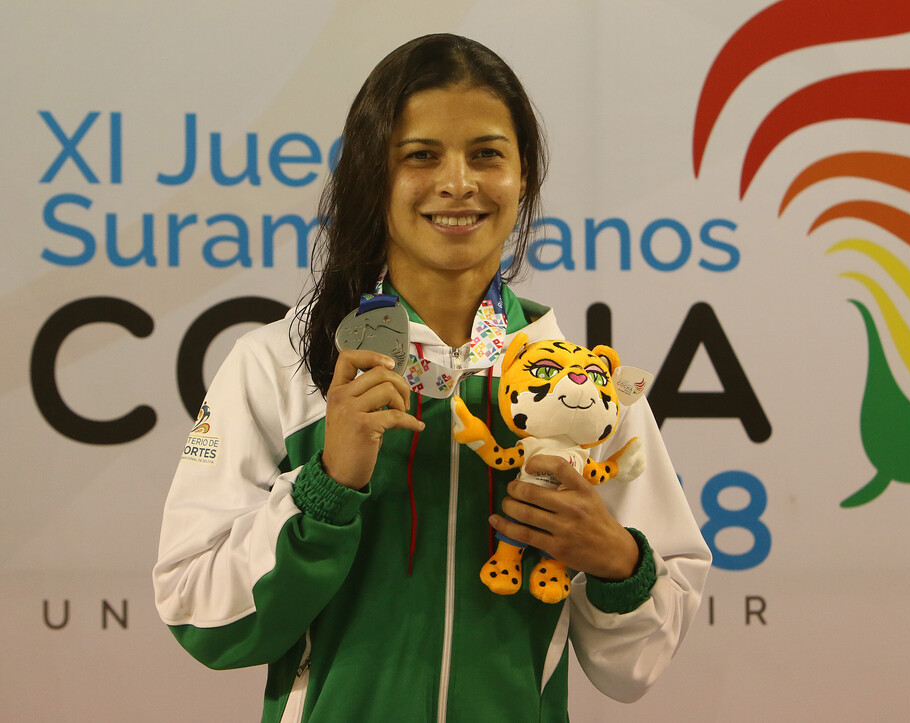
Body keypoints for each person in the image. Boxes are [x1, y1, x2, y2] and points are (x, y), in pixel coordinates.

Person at [153, 33, 710, 722]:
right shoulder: (282, 366)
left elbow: (633, 665)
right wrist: (326, 489)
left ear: (525, 175)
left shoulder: (580, 391)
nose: (458, 183)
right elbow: (199, 613)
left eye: (487, 155)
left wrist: (616, 560)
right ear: (371, 176)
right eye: (421, 156)